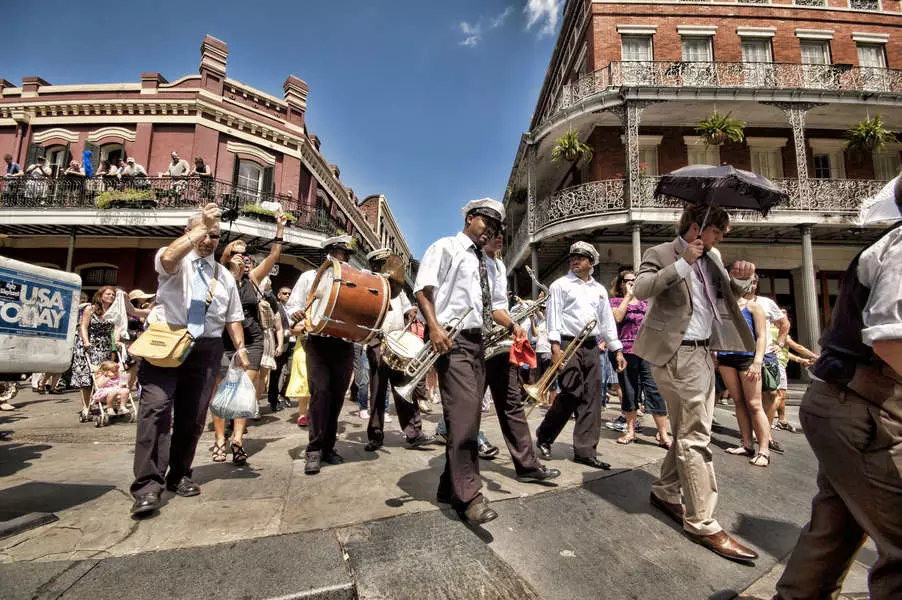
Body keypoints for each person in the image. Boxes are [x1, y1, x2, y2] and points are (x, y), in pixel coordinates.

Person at [773, 178, 902, 600]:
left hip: (850, 402)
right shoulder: (899, 249)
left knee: (837, 524)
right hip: (860, 406)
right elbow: (889, 339)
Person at [633, 202, 759, 563]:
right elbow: (642, 290)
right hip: (677, 354)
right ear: (696, 226)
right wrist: (683, 262)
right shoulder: (661, 252)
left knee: (688, 430)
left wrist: (742, 279)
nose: (720, 238)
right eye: (717, 230)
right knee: (696, 437)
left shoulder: (714, 258)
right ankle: (702, 522)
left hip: (705, 353)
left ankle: (664, 490)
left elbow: (726, 297)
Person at [130, 203, 247, 516]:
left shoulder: (223, 276)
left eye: (215, 235)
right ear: (188, 231)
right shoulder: (173, 260)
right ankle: (147, 486)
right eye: (205, 232)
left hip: (206, 348)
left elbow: (232, 317)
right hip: (167, 341)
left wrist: (241, 347)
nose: (210, 239)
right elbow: (168, 258)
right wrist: (199, 229)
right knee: (155, 409)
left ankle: (180, 474)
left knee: (193, 416)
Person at [415, 198, 523, 524]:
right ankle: (470, 496)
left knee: (469, 418)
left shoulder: (489, 264)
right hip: (452, 339)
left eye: (495, 227)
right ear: (471, 218)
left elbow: (496, 308)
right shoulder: (446, 247)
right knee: (463, 416)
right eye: (486, 222)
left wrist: (515, 325)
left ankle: (448, 486)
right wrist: (433, 327)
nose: (490, 230)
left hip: (479, 343)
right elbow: (423, 289)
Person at [533, 241, 625, 468]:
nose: (575, 261)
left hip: (591, 344)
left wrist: (617, 349)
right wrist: (555, 347)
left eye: (581, 258)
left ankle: (585, 450)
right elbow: (553, 317)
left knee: (592, 397)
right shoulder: (560, 285)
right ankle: (545, 435)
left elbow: (607, 324)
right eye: (573, 257)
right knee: (572, 391)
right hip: (566, 343)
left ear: (591, 263)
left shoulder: (600, 290)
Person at [481, 231, 560, 483]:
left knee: (512, 404)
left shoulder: (499, 264)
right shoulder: (473, 261)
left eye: (502, 234)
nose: (500, 237)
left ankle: (527, 466)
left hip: (500, 345)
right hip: (477, 343)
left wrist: (513, 322)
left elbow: (498, 307)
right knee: (469, 407)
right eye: (493, 233)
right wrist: (511, 323)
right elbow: (490, 309)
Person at [210, 222, 285, 465]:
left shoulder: (253, 279)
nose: (243, 257)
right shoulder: (218, 276)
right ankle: (220, 439)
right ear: (227, 257)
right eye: (237, 253)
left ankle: (238, 440)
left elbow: (274, 255)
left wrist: (280, 229)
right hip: (222, 341)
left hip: (252, 341)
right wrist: (231, 273)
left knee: (243, 392)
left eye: (245, 254)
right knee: (222, 393)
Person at [286, 235, 357, 475]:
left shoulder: (352, 281)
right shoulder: (310, 277)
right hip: (318, 342)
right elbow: (293, 305)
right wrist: (296, 314)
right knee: (321, 393)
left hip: (344, 344)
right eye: (340, 253)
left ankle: (329, 447)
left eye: (347, 255)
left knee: (337, 397)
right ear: (328, 253)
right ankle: (314, 450)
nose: (344, 258)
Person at [363, 248, 437, 452]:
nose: (388, 267)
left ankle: (414, 434)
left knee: (406, 390)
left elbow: (406, 309)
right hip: (377, 343)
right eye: (383, 264)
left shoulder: (399, 289)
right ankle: (376, 436)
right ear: (375, 266)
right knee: (377, 391)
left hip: (397, 343)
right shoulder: (369, 285)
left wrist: (411, 312)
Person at [609, 269, 670, 448]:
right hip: (625, 352)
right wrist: (628, 297)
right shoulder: (615, 301)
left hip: (647, 351)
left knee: (654, 391)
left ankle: (663, 434)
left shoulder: (647, 302)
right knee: (628, 391)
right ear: (621, 283)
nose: (632, 283)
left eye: (635, 280)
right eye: (627, 280)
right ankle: (630, 431)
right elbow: (617, 318)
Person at [717, 285, 773, 467]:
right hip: (726, 357)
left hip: (747, 358)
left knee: (755, 404)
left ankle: (764, 450)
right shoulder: (721, 305)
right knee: (738, 401)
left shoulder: (753, 306)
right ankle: (747, 444)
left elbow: (762, 335)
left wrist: (758, 360)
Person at [70, 286, 119, 419]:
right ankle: (86, 407)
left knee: (103, 376)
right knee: (86, 378)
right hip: (89, 345)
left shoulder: (113, 311)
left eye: (113, 295)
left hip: (105, 346)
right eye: (109, 294)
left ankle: (101, 403)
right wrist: (86, 341)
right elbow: (84, 326)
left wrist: (117, 341)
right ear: (100, 295)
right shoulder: (90, 309)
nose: (111, 297)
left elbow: (115, 329)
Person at [267, 286, 294, 412]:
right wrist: (288, 333)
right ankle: (273, 400)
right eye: (284, 293)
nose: (287, 295)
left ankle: (284, 394)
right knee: (276, 373)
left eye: (289, 293)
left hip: (293, 344)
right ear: (279, 295)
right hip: (282, 344)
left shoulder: (291, 309)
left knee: (291, 371)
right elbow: (275, 327)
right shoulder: (276, 307)